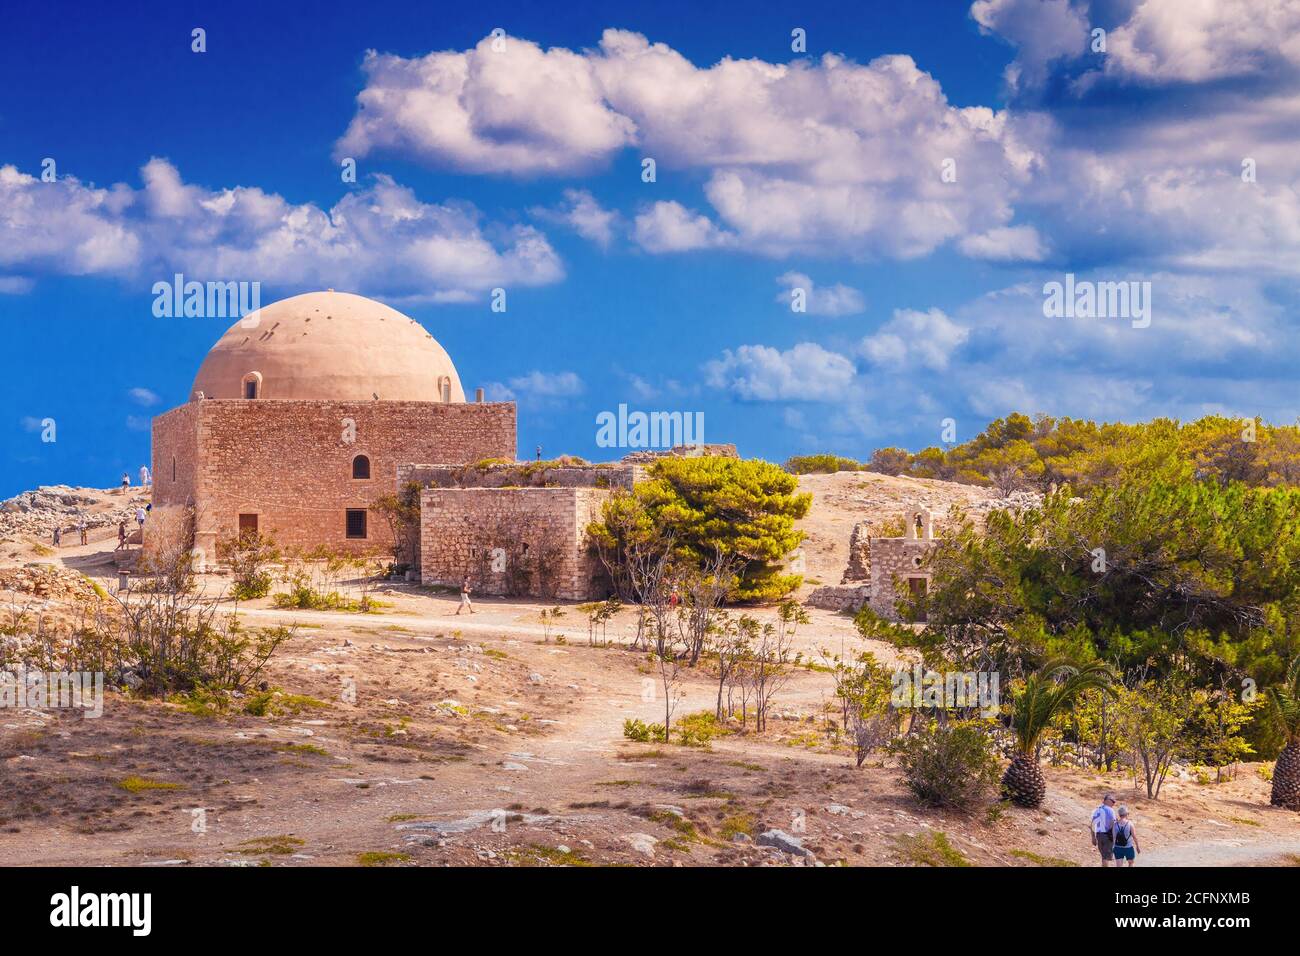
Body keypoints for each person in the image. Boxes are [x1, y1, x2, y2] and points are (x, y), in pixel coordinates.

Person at [1090, 792, 1118, 867]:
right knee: (1106, 857)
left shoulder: (1097, 810)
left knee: (1103, 856)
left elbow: (1092, 824)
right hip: (1107, 836)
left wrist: (1093, 837)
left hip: (1099, 835)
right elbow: (1113, 823)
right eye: (1112, 800)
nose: (1114, 803)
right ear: (1107, 800)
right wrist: (1113, 836)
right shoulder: (1110, 810)